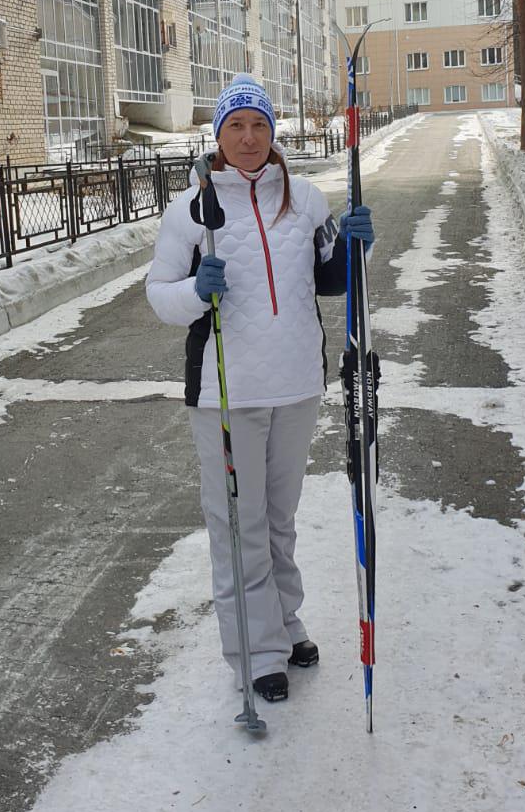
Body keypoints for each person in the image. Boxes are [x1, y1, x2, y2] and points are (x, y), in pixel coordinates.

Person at [146, 73, 374, 704]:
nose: (248, 138)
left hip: (297, 384)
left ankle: (285, 623)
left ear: (272, 132)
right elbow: (158, 294)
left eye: (258, 126)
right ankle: (256, 649)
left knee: (278, 519)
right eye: (235, 126)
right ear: (218, 134)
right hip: (227, 394)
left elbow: (330, 279)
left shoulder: (305, 200)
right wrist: (195, 292)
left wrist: (355, 248)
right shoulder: (193, 210)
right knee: (238, 524)